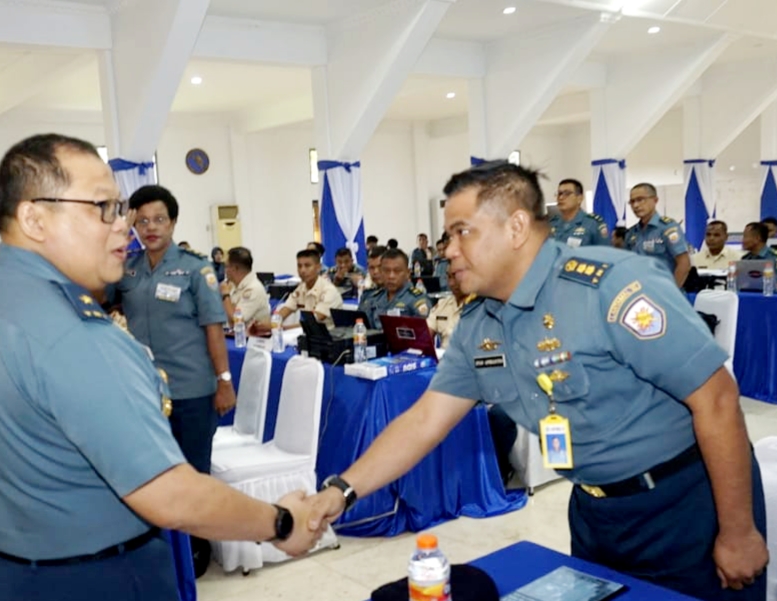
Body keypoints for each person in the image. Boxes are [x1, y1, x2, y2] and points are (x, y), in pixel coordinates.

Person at [307, 162, 767, 601]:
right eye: (448, 236)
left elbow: (717, 400)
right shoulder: (479, 324)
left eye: (462, 232)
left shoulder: (610, 287)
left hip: (684, 507)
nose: (448, 250)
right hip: (594, 514)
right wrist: (340, 492)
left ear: (516, 228)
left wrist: (739, 531)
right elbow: (424, 420)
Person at [0, 134, 321, 601]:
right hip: (96, 577)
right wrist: (281, 523)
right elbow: (171, 494)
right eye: (103, 208)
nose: (124, 225)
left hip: (5, 570)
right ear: (34, 219)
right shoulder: (74, 335)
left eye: (121, 209)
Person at [117, 185, 234, 477]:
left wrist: (224, 382)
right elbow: (94, 292)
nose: (150, 228)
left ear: (172, 222)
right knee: (152, 476)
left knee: (194, 476)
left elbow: (213, 328)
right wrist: (117, 238)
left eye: (159, 219)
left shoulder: (195, 268)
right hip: (144, 391)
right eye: (142, 221)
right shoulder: (126, 268)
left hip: (190, 391)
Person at [256, 249, 342, 331]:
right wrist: (274, 322)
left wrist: (284, 328)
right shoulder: (301, 288)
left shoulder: (328, 291)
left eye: (307, 266)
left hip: (329, 336)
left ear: (318, 267)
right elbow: (286, 308)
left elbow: (314, 321)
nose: (302, 270)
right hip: (308, 334)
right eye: (299, 266)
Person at [625, 184, 691, 287]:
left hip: (663, 288)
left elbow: (684, 263)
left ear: (655, 200)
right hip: (639, 289)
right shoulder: (632, 233)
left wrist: (672, 290)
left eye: (640, 200)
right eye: (632, 202)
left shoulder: (667, 228)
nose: (636, 205)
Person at [358, 248, 430, 329]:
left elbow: (422, 334)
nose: (391, 276)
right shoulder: (374, 298)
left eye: (397, 271)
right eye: (386, 271)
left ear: (407, 273)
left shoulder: (417, 300)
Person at [549, 179, 608, 247]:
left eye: (567, 193)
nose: (561, 197)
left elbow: (604, 252)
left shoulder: (593, 224)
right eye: (559, 194)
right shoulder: (552, 224)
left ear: (579, 198)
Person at [219, 246, 270, 326]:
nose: (225, 270)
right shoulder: (234, 286)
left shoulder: (253, 289)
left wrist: (225, 295)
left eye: (226, 266)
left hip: (249, 334)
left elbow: (236, 321)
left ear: (235, 268)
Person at [426, 270, 468, 349]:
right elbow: (425, 336)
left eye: (456, 277)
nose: (451, 283)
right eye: (449, 277)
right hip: (443, 355)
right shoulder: (443, 304)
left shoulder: (481, 306)